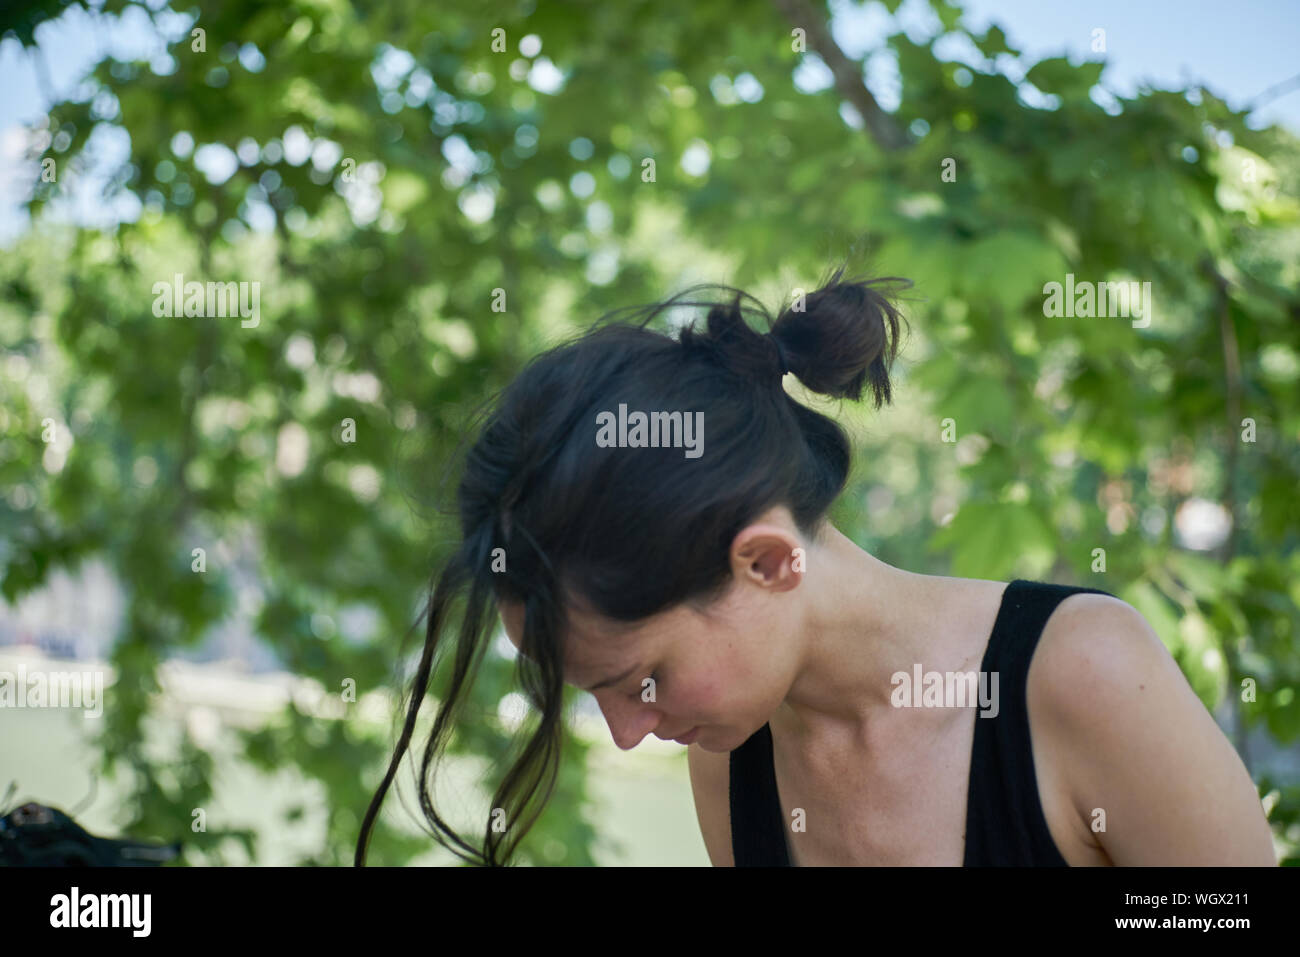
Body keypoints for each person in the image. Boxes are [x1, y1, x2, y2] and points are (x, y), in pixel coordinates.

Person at [354, 264, 1276, 867]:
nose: (630, 732)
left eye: (639, 678)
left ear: (764, 561)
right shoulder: (731, 759)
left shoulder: (1078, 673)